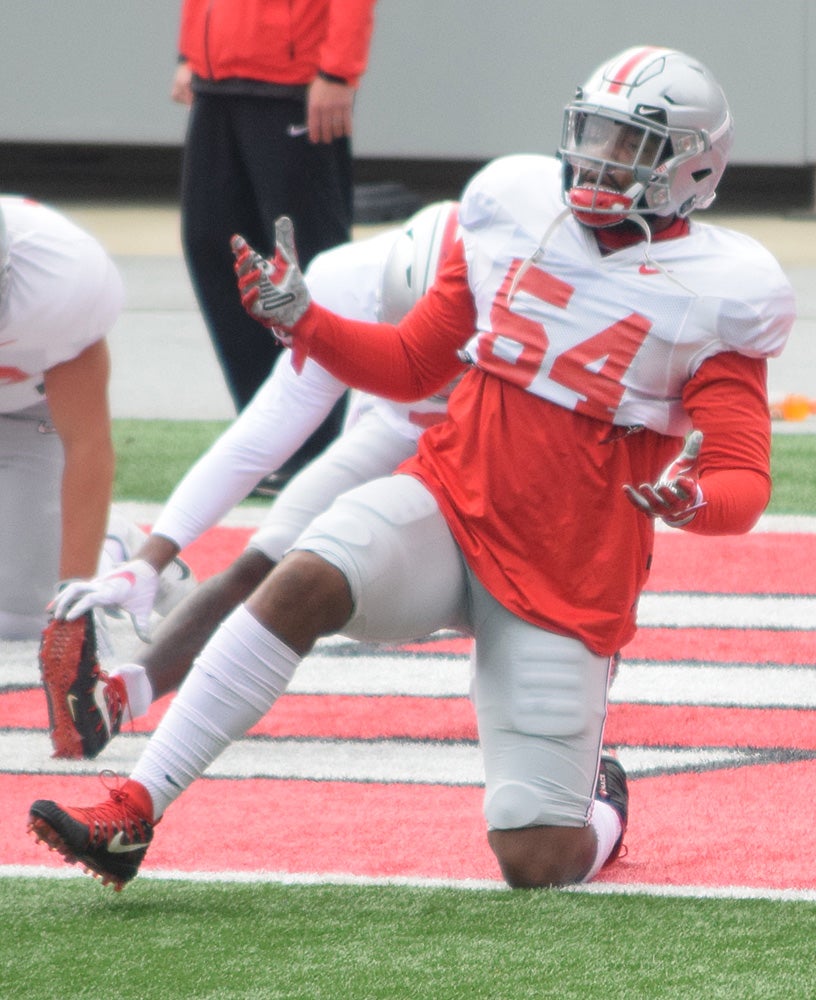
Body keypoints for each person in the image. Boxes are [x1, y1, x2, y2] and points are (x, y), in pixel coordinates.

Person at [29, 47, 796, 891]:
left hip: (569, 568)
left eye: (632, 145)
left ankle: (601, 806)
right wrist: (309, 323)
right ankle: (135, 807)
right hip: (449, 502)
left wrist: (696, 500)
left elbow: (743, 479)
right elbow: (417, 362)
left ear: (692, 168)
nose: (602, 158)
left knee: (539, 863)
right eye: (597, 133)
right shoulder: (513, 208)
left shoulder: (719, 289)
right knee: (302, 576)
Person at [42, 202, 461, 759]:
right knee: (266, 564)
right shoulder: (345, 282)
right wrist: (152, 558)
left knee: (516, 588)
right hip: (393, 422)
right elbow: (264, 433)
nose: (422, 363)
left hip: (495, 436)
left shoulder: (537, 294)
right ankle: (120, 695)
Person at [171, 0, 377, 484]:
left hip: (296, 83)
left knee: (307, 262)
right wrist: (189, 52)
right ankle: (265, 434)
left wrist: (340, 71)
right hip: (216, 80)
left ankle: (317, 441)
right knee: (212, 243)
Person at [0, 196, 191, 645]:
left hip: (31, 415)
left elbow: (86, 444)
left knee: (22, 616)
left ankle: (112, 547)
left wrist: (74, 589)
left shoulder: (63, 285)